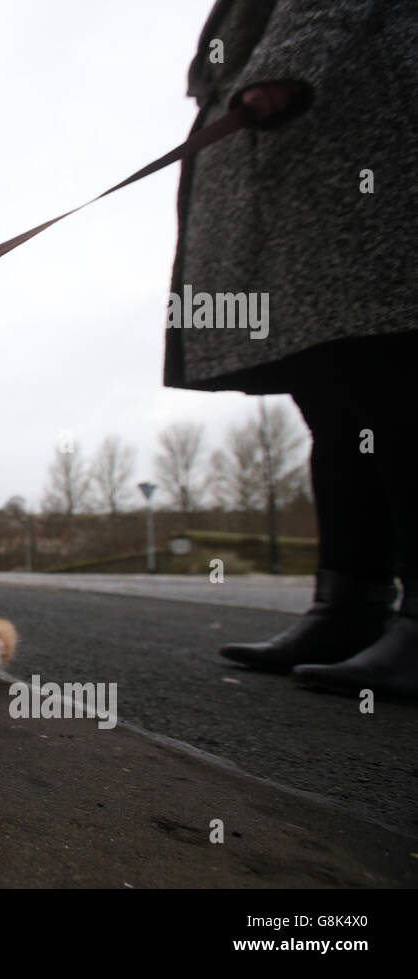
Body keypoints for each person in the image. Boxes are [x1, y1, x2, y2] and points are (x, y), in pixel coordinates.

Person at [165, 0, 418, 700]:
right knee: (331, 386)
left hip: (345, 128)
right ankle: (348, 604)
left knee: (387, 369)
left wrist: (283, 59)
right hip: (282, 158)